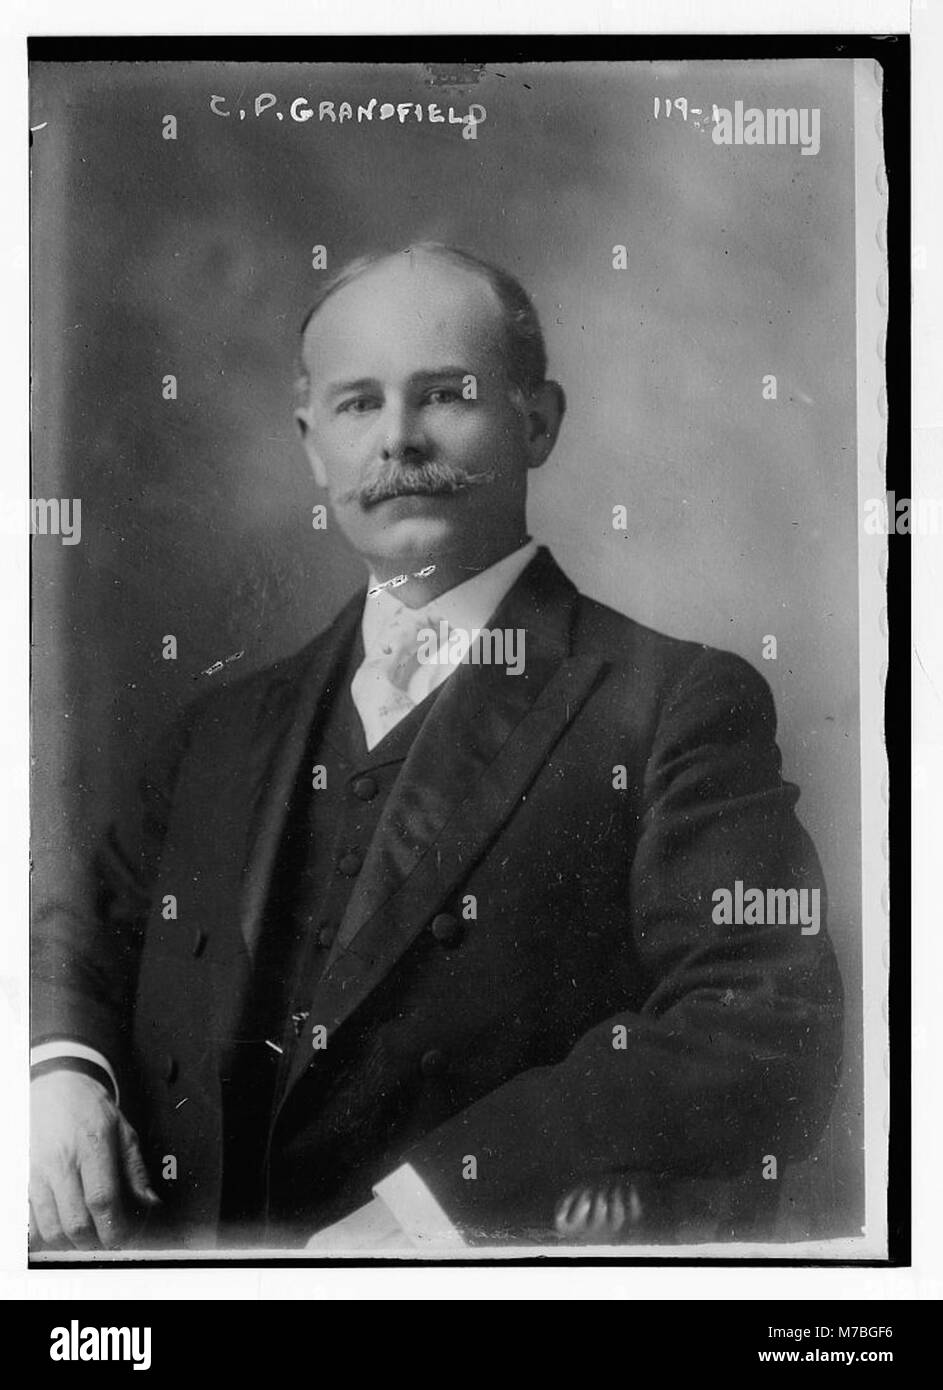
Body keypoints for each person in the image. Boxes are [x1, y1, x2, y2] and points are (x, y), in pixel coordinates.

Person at [30, 243, 843, 1252]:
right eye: (357, 403)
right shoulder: (222, 730)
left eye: (445, 394)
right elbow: (75, 945)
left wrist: (436, 1209)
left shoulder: (672, 703)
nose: (399, 441)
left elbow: (761, 1021)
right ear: (309, 442)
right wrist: (58, 1072)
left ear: (537, 421)